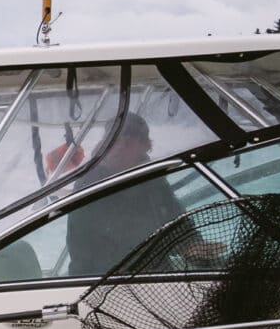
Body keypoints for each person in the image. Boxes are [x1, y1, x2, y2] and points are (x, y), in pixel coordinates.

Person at [65, 111, 188, 276]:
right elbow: (80, 246)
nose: (119, 148)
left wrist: (191, 244)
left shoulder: (152, 178)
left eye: (127, 143)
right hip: (107, 277)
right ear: (105, 144)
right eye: (114, 142)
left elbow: (174, 218)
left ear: (145, 146)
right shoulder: (90, 183)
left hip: (154, 271)